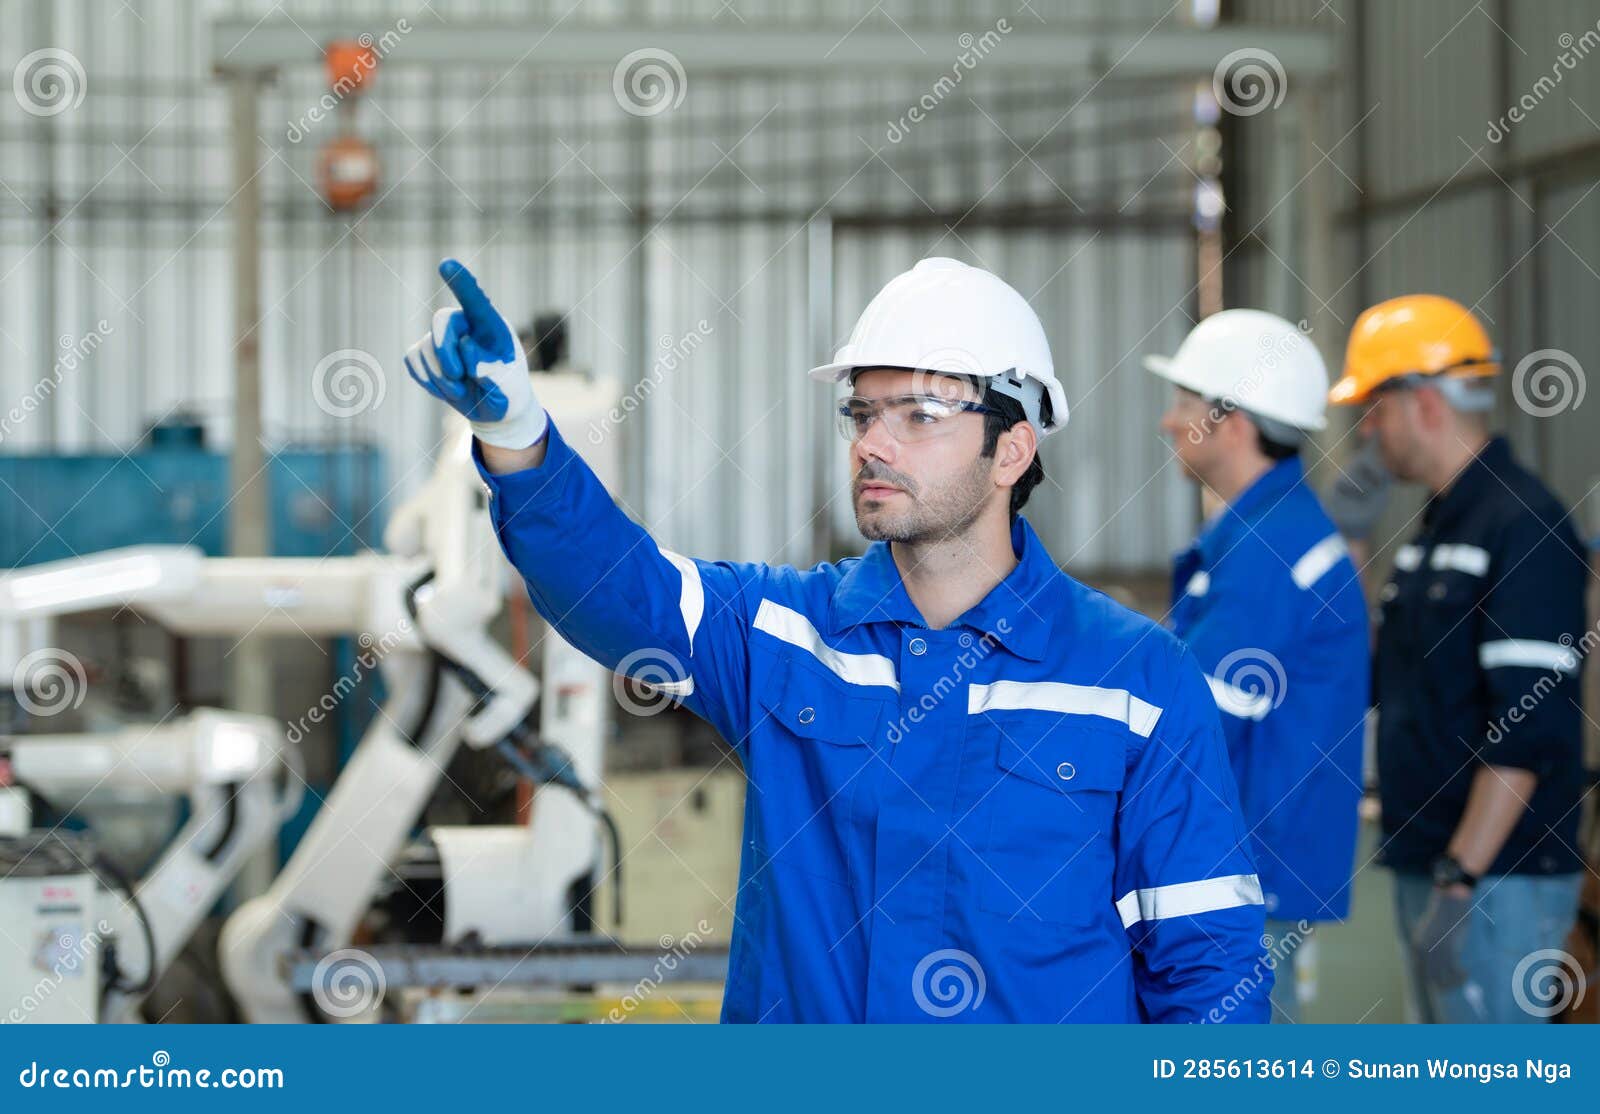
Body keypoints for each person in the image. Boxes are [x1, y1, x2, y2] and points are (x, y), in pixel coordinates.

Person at [403, 255, 1268, 1022]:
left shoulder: (1136, 680)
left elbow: (1208, 966)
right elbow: (620, 589)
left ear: (1011, 450)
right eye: (863, 413)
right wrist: (518, 435)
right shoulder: (783, 634)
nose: (872, 444)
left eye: (920, 415)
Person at [1329, 294, 1587, 1023]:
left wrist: (1458, 879)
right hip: (1435, 854)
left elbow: (1528, 729)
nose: (1370, 434)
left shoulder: (1522, 523)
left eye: (1375, 411)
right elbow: (1380, 674)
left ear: (1422, 404)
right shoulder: (1437, 526)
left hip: (1496, 875)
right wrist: (1350, 542)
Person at [1146, 310, 1369, 1023]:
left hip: (1248, 868)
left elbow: (1200, 720)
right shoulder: (1266, 533)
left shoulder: (1270, 548)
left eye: (1184, 403)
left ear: (1233, 423)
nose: (1168, 422)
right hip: (1254, 857)